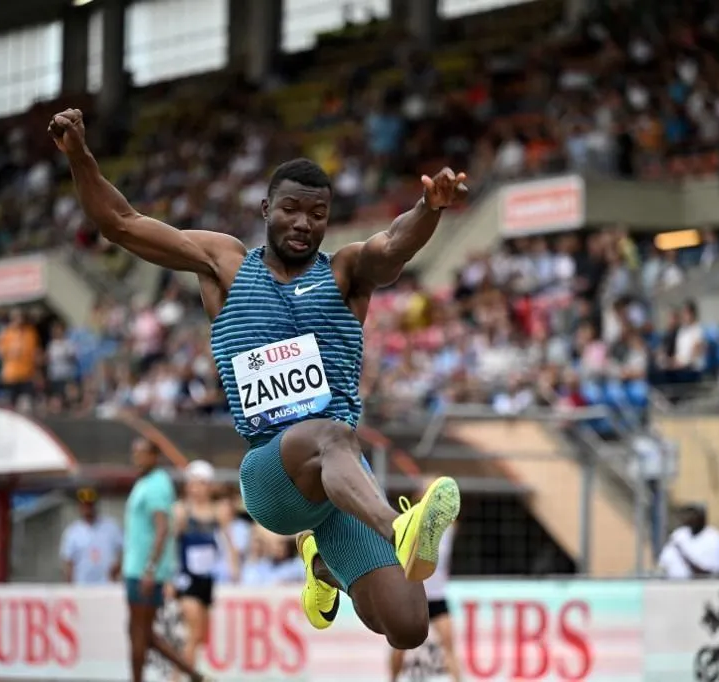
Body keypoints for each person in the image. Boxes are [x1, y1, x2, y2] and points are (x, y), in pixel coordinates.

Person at [50, 108, 464, 649]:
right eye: (291, 209)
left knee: (408, 627)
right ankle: (397, 529)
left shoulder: (344, 273)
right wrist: (80, 156)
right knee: (329, 433)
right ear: (267, 208)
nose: (303, 223)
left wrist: (428, 209)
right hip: (272, 473)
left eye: (317, 214)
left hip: (342, 481)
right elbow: (121, 224)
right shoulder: (225, 264)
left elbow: (392, 247)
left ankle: (323, 567)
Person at [122, 438, 208, 682]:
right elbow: (139, 529)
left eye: (142, 453)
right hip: (136, 567)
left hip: (144, 570)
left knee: (140, 633)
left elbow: (162, 529)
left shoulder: (157, 484)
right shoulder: (146, 482)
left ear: (154, 456)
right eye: (134, 452)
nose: (136, 458)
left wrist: (150, 568)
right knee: (143, 634)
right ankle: (195, 675)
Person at [388, 478, 461, 682]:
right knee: (399, 647)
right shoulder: (410, 523)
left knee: (449, 645)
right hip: (413, 596)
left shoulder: (449, 527)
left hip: (436, 596)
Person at [173, 460, 238, 677]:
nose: (197, 488)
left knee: (200, 636)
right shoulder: (182, 511)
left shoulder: (217, 511)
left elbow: (230, 542)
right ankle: (185, 677)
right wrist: (167, 579)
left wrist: (234, 567)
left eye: (201, 483)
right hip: (187, 579)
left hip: (207, 579)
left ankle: (184, 674)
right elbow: (169, 546)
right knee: (193, 633)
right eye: (194, 483)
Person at [59, 488, 123, 584]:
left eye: (90, 504)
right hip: (82, 588)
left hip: (108, 588)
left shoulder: (111, 527)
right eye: (84, 505)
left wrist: (119, 565)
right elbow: (68, 563)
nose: (87, 508)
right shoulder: (72, 532)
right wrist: (69, 588)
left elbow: (125, 550)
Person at [656, 503, 719, 578]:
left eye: (694, 514)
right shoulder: (679, 534)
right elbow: (663, 564)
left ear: (702, 517)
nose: (689, 517)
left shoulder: (714, 537)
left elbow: (709, 573)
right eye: (688, 514)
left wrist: (683, 554)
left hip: (700, 586)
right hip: (671, 585)